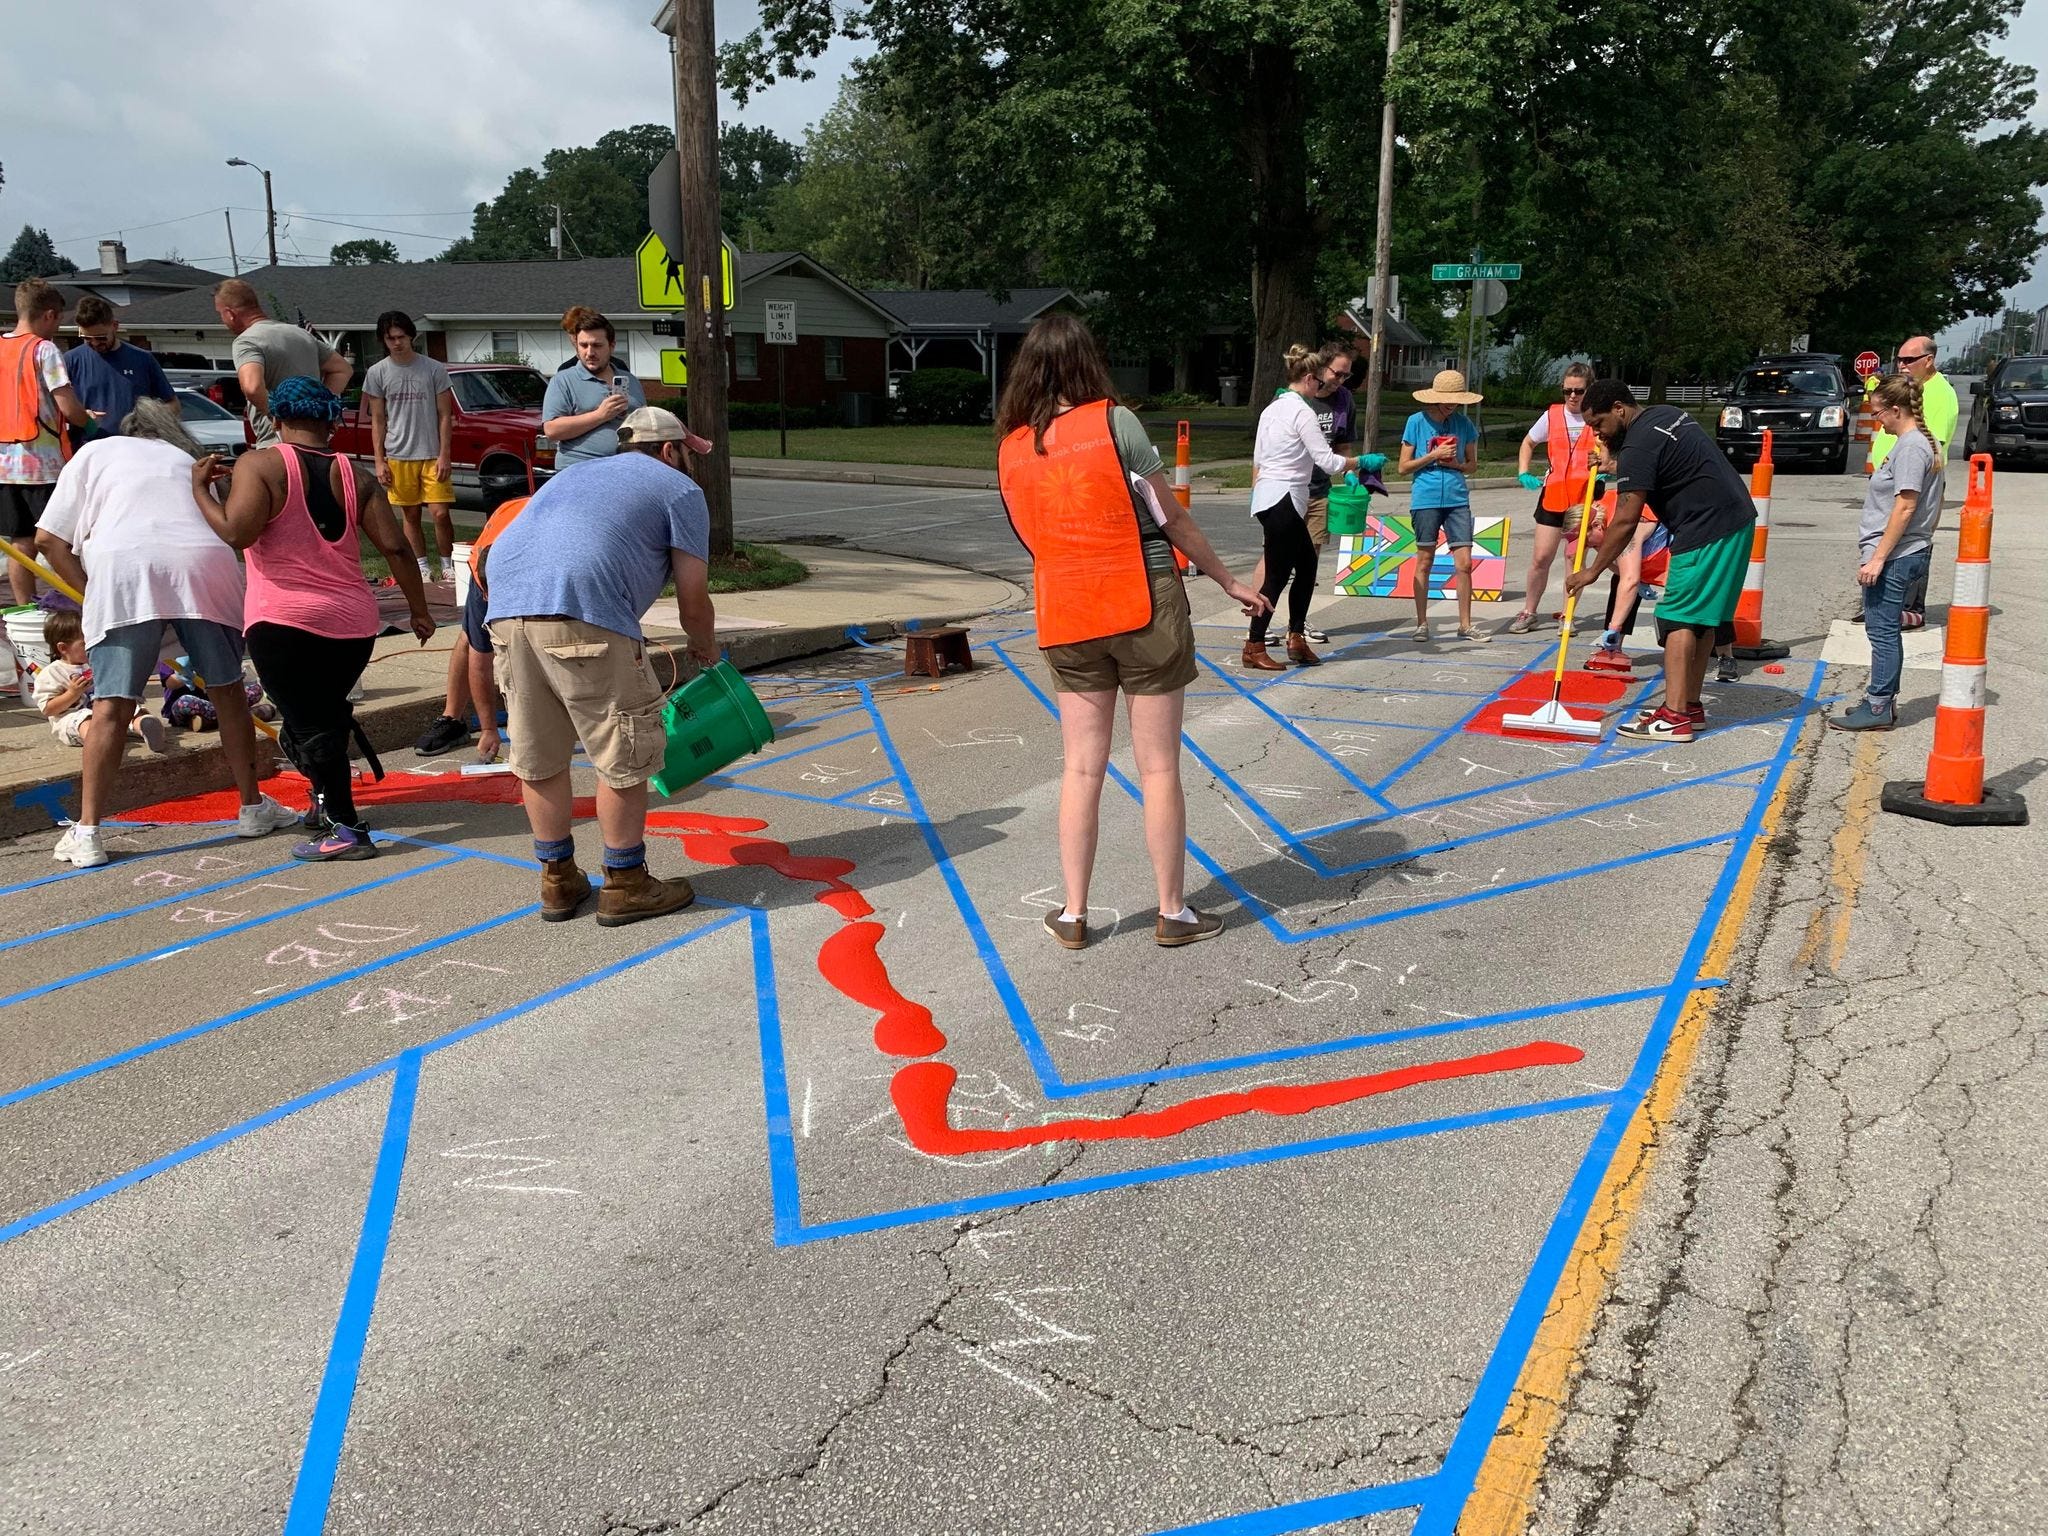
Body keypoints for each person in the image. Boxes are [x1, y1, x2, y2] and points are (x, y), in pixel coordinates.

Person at [997, 312, 1271, 949]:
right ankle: (1172, 911)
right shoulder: (1114, 424)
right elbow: (1171, 519)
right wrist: (1228, 581)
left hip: (1066, 609)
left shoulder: (1013, 446)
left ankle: (1072, 914)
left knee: (1081, 770)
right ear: (1086, 361)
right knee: (1157, 770)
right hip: (1142, 599)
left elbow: (1028, 536)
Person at [34, 397, 301, 867]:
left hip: (125, 568)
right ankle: (252, 807)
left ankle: (89, 832)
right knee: (228, 694)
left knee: (111, 706)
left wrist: (91, 594)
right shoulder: (187, 458)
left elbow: (47, 540)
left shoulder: (96, 453)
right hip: (203, 565)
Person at [486, 406, 717, 926]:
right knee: (622, 751)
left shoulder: (574, 475)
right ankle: (626, 883)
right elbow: (693, 599)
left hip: (506, 612)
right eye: (687, 455)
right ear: (668, 450)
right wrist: (706, 650)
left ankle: (558, 879)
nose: (689, 466)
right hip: (584, 614)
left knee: (540, 755)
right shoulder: (679, 489)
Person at [192, 377, 434, 860]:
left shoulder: (260, 464)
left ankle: (345, 828)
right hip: (351, 622)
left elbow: (237, 533)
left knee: (309, 725)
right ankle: (326, 802)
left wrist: (203, 492)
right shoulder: (356, 474)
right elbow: (395, 546)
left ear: (277, 420)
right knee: (323, 715)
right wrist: (419, 610)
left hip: (283, 620)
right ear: (330, 421)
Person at [1568, 380, 1757, 744]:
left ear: (1619, 409)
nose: (1598, 433)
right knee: (1702, 621)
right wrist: (1614, 465)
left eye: (1599, 423)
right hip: (1735, 519)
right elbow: (1653, 461)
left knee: (1676, 617)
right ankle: (1689, 705)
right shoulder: (1662, 415)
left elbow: (1625, 517)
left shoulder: (1638, 444)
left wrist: (1591, 571)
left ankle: (1673, 717)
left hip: (1707, 527)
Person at [1242, 343, 1381, 671]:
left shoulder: (1273, 408)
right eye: (1319, 382)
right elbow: (1327, 460)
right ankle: (1255, 643)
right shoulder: (1301, 410)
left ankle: (1295, 637)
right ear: (1308, 378)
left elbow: (1259, 457)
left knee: (1305, 566)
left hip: (1270, 496)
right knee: (1278, 573)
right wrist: (1362, 461)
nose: (1322, 388)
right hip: (1284, 497)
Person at [1830, 373, 1942, 732]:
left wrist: (1878, 557)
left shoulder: (1911, 448)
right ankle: (1881, 699)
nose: (1876, 420)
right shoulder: (1918, 442)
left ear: (1896, 410)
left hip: (1896, 555)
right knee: (1884, 630)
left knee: (1882, 632)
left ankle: (1878, 706)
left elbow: (1905, 507)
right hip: (1903, 550)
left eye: (1879, 413)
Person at [2, 279, 96, 605]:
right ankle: (76, 603)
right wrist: (90, 420)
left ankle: (25, 608)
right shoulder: (44, 349)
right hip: (44, 465)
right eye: (58, 320)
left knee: (21, 543)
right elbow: (69, 408)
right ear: (50, 314)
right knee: (60, 540)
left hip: (4, 466)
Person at [1862, 336, 1956, 631]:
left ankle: (1907, 607)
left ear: (1929, 360)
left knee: (1909, 544)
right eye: (1899, 360)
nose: (1902, 365)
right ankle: (1885, 606)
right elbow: (1875, 399)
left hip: (1910, 480)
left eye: (1908, 360)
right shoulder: (1906, 389)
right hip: (1892, 475)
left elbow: (1930, 448)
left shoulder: (1940, 394)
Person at [362, 310, 455, 590]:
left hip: (431, 453)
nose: (397, 343)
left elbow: (444, 415)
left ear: (411, 336)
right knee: (410, 515)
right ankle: (423, 568)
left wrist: (445, 454)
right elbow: (377, 419)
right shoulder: (377, 372)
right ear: (384, 340)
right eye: (390, 338)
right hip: (398, 454)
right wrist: (379, 461)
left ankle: (448, 566)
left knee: (440, 513)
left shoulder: (433, 369)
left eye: (401, 337)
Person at [1397, 369, 1487, 643]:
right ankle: (1422, 623)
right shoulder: (1415, 421)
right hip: (1425, 497)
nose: (1452, 405)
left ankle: (1465, 624)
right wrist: (1433, 455)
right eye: (1448, 400)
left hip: (1457, 498)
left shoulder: (1464, 425)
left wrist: (1456, 464)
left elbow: (1472, 465)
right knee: (1424, 560)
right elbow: (1402, 467)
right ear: (1435, 398)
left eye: (1457, 401)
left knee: (1465, 563)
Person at [1505, 362, 1596, 634]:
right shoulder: (1552, 415)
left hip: (1584, 498)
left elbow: (1615, 451)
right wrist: (1523, 472)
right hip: (1553, 495)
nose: (1572, 396)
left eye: (1578, 391)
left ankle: (1568, 615)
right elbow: (1528, 442)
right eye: (1567, 390)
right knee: (1541, 558)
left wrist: (1605, 468)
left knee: (1574, 559)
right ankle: (1529, 611)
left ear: (1589, 390)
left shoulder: (1596, 417)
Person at [213, 279, 353, 445]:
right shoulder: (300, 334)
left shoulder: (247, 340)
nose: (223, 320)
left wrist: (280, 418)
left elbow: (252, 387)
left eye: (220, 314)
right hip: (316, 441)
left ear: (230, 314)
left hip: (277, 444)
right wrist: (316, 406)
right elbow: (343, 369)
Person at [33, 608, 170, 753]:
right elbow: (48, 709)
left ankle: (145, 725)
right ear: (63, 648)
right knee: (83, 720)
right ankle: (98, 745)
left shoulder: (96, 661)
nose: (93, 646)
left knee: (131, 708)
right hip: (73, 719)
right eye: (85, 643)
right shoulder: (52, 672)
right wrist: (72, 693)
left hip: (106, 712)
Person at [540, 309, 646, 465]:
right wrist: (600, 415)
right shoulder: (563, 380)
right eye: (584, 345)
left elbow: (646, 425)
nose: (590, 352)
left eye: (597, 345)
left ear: (611, 346)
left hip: (628, 467)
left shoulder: (630, 380)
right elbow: (552, 430)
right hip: (581, 467)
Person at [63, 296, 174, 432]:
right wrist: (82, 416)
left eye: (101, 338)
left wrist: (150, 421)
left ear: (115, 326)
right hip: (90, 447)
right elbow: (56, 409)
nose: (95, 343)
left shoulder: (142, 359)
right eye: (87, 338)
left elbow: (173, 404)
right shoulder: (70, 360)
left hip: (135, 445)